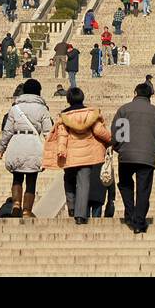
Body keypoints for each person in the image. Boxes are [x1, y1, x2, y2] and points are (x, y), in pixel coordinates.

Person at [43, 87, 112, 224]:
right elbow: (99, 131)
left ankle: (72, 207)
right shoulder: (91, 114)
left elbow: (62, 135)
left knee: (68, 180)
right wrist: (111, 139)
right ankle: (80, 215)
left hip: (70, 156)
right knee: (83, 183)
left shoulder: (64, 116)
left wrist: (61, 150)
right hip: (88, 156)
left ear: (68, 100)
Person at [112, 83, 155, 234]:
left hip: (126, 156)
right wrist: (152, 152)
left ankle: (130, 214)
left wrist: (120, 149)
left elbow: (117, 136)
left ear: (135, 92)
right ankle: (139, 222)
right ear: (150, 95)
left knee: (125, 184)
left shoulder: (124, 110)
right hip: (147, 157)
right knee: (143, 190)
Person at [0, 79, 53, 219]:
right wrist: (52, 151)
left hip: (17, 142)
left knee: (17, 177)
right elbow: (48, 132)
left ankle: (16, 204)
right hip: (34, 144)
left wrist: (1, 148)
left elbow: (8, 131)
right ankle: (27, 211)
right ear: (38, 92)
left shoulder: (15, 108)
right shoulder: (43, 109)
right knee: (31, 180)